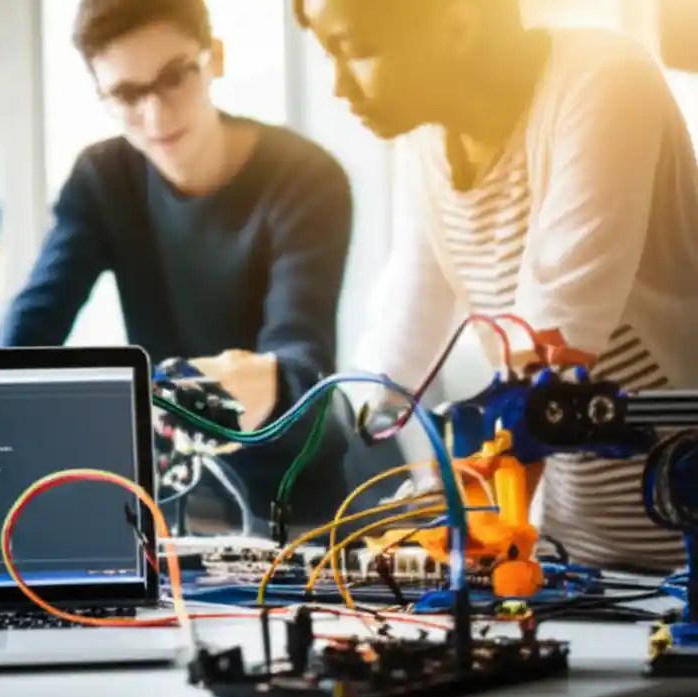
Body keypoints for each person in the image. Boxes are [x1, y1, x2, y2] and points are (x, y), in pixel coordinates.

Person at [297, 0, 698, 570]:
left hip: (681, 537)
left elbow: (553, 343)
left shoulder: (604, 79)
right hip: (578, 550)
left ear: (458, 20)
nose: (338, 87)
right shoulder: (428, 144)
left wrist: (468, 521)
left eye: (357, 50)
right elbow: (402, 338)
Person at [0, 0, 354, 527]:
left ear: (215, 59)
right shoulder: (103, 179)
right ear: (101, 93)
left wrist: (190, 392)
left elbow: (303, 364)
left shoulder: (304, 177)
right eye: (125, 93)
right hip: (164, 511)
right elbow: (28, 335)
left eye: (175, 77)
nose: (156, 115)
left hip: (294, 510)